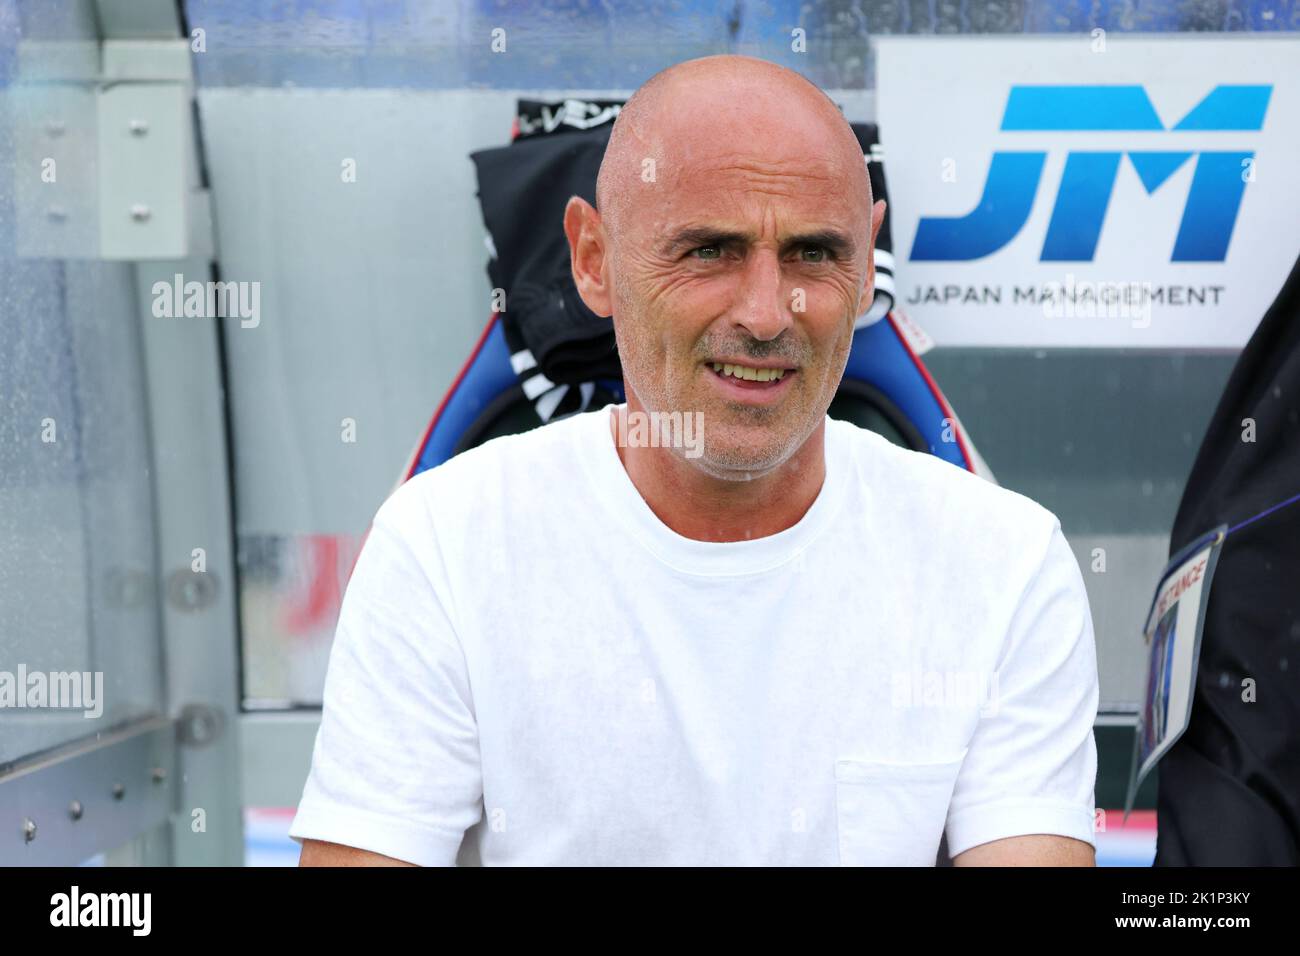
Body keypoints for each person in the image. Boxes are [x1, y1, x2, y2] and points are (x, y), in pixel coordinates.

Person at [292, 54, 1099, 866]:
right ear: (594, 260)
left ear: (865, 273)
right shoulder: (444, 544)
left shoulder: (1003, 563)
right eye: (709, 250)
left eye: (815, 254)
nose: (763, 312)